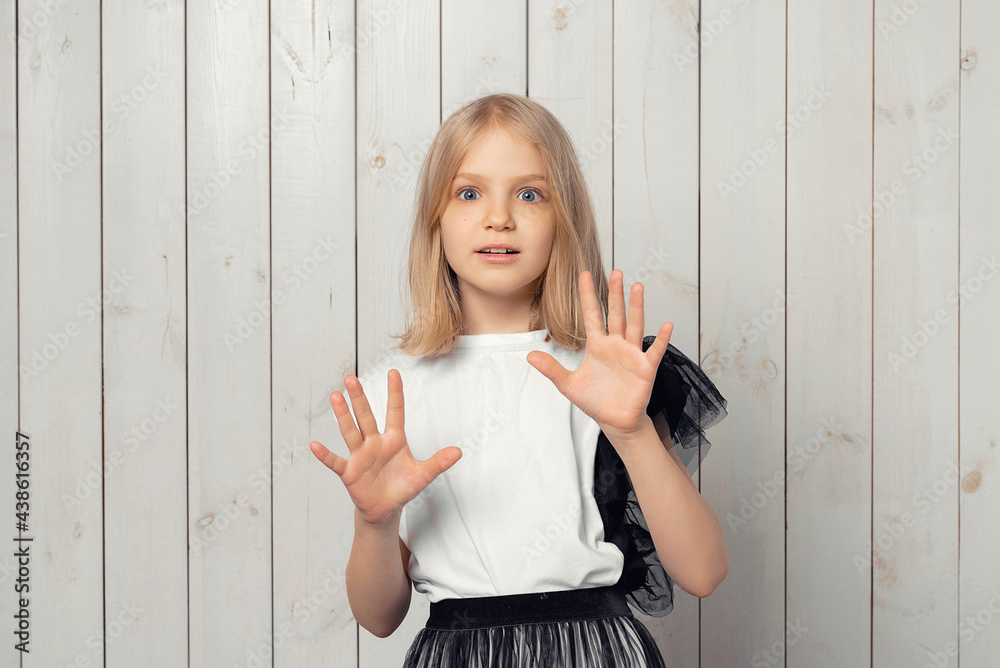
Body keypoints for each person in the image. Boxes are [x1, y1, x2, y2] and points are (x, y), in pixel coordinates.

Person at [309, 93, 729, 667]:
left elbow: (702, 572)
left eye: (529, 194)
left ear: (565, 218)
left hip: (597, 653)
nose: (499, 216)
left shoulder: (612, 370)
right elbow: (379, 618)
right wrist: (374, 523)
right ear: (435, 218)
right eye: (469, 192)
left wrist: (631, 433)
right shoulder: (395, 392)